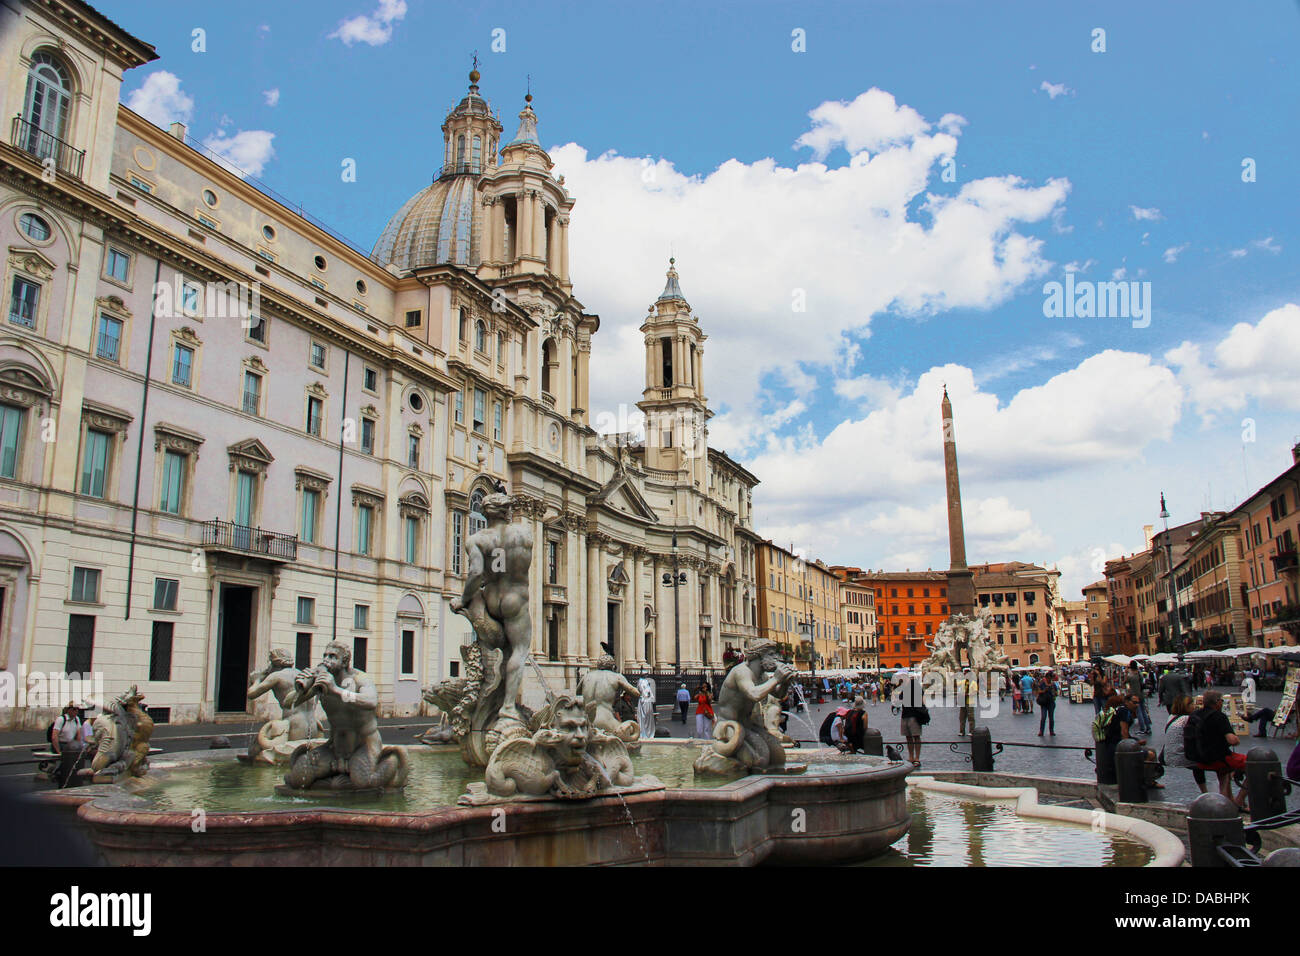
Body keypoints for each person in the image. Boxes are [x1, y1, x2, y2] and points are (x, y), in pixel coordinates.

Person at [1190, 690, 1248, 808]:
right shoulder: (1218, 716)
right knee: (1254, 765)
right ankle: (1239, 800)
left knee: (1224, 772)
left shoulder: (1194, 714)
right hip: (1218, 758)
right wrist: (1236, 739)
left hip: (1198, 758)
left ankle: (1227, 801)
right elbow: (1232, 740)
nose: (1222, 703)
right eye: (1222, 700)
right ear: (1217, 702)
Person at [1117, 692, 1164, 789]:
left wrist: (1135, 741)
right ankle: (1142, 780)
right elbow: (1123, 732)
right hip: (1119, 745)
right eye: (1134, 703)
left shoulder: (1124, 710)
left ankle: (1149, 778)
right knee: (1150, 754)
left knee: (1152, 751)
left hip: (1119, 742)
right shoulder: (1125, 712)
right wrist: (1133, 745)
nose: (1137, 705)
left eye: (1138, 703)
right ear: (1127, 702)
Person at [1162, 695, 1207, 794]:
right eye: (1191, 704)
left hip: (1168, 756)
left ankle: (1204, 791)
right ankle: (1205, 791)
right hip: (1180, 758)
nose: (1194, 706)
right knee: (1201, 762)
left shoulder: (1171, 717)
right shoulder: (1187, 719)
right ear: (1185, 706)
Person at [49, 702, 84, 788]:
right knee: (66, 761)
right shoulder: (61, 719)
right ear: (68, 710)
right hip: (61, 744)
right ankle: (59, 775)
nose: (76, 712)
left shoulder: (76, 719)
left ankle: (67, 777)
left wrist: (79, 747)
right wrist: (58, 751)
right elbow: (54, 736)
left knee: (75, 759)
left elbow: (79, 735)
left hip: (70, 745)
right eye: (73, 709)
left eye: (77, 710)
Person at [897, 674, 926, 767]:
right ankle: (912, 757)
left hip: (914, 715)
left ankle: (915, 757)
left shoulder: (917, 688)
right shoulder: (905, 688)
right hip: (906, 714)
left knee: (914, 737)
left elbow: (921, 701)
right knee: (909, 737)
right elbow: (900, 698)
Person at [1124, 662, 1151, 736]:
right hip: (1141, 694)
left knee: (1139, 712)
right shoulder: (1140, 674)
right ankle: (1148, 728)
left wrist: (1126, 672)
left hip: (1135, 696)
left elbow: (1125, 681)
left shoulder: (1131, 676)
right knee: (1144, 711)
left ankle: (1142, 728)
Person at [956, 667, 977, 735]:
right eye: (964, 673)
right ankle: (962, 731)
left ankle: (972, 731)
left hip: (970, 702)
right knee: (962, 717)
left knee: (971, 717)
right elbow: (957, 685)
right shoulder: (962, 682)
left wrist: (968, 694)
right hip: (963, 701)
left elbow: (975, 692)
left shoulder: (973, 683)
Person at [1037, 671, 1057, 736]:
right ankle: (1041, 731)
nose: (1048, 679)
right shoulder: (1042, 683)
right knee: (1043, 717)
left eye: (1050, 678)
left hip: (1051, 702)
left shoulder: (1053, 684)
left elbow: (1056, 693)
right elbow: (1038, 691)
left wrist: (1054, 692)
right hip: (1044, 702)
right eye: (1047, 678)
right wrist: (1044, 691)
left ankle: (1051, 731)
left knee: (1051, 718)